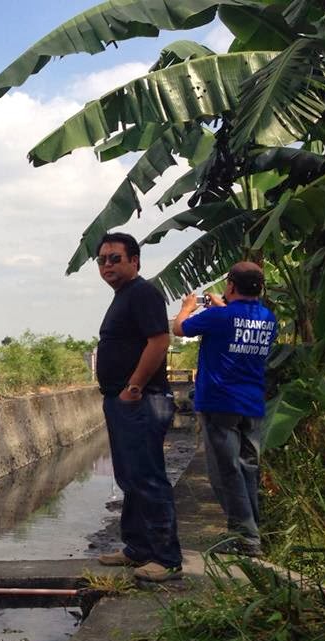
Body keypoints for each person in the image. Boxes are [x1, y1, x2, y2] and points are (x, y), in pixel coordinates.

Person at [173, 261, 277, 556]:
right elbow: (239, 330)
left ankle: (246, 538)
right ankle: (251, 533)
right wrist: (222, 307)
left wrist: (188, 307)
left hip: (220, 404)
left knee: (226, 472)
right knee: (248, 469)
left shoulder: (218, 317)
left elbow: (180, 328)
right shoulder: (268, 318)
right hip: (252, 404)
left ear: (230, 285)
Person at [94, 232, 182, 582]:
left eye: (115, 258)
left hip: (142, 401)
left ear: (135, 261)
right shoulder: (124, 296)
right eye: (102, 260)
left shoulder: (143, 293)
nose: (107, 265)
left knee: (147, 478)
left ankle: (166, 558)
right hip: (124, 402)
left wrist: (134, 387)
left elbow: (159, 341)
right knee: (129, 476)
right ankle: (138, 548)